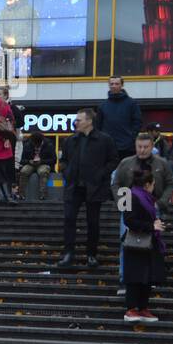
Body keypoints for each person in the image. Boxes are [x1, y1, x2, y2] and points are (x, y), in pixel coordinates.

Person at [57, 108, 118, 268]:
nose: (75, 122)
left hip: (94, 186)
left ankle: (91, 254)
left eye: (79, 120)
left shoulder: (105, 140)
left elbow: (113, 160)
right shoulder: (70, 140)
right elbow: (63, 160)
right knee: (69, 219)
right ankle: (68, 253)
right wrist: (66, 172)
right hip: (73, 186)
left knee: (93, 222)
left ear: (89, 121)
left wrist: (101, 174)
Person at [120, 166, 166, 323]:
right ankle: (132, 308)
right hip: (136, 243)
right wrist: (151, 226)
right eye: (153, 184)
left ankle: (143, 307)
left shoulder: (146, 198)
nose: (153, 188)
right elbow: (129, 220)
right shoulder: (131, 196)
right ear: (147, 185)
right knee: (135, 276)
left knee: (146, 277)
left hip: (148, 243)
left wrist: (154, 224)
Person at [96, 76, 143, 161]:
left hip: (127, 148)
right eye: (111, 84)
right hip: (107, 148)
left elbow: (137, 122)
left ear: (122, 85)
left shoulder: (132, 103)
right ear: (109, 85)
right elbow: (98, 126)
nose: (114, 86)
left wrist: (131, 139)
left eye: (117, 84)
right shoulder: (102, 106)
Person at [18, 130, 54, 202]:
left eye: (37, 144)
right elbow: (22, 160)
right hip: (30, 164)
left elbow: (54, 160)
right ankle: (21, 194)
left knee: (43, 172)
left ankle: (43, 195)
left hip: (43, 163)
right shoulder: (28, 145)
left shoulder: (49, 145)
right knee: (23, 171)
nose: (36, 145)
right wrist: (29, 161)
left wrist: (42, 161)